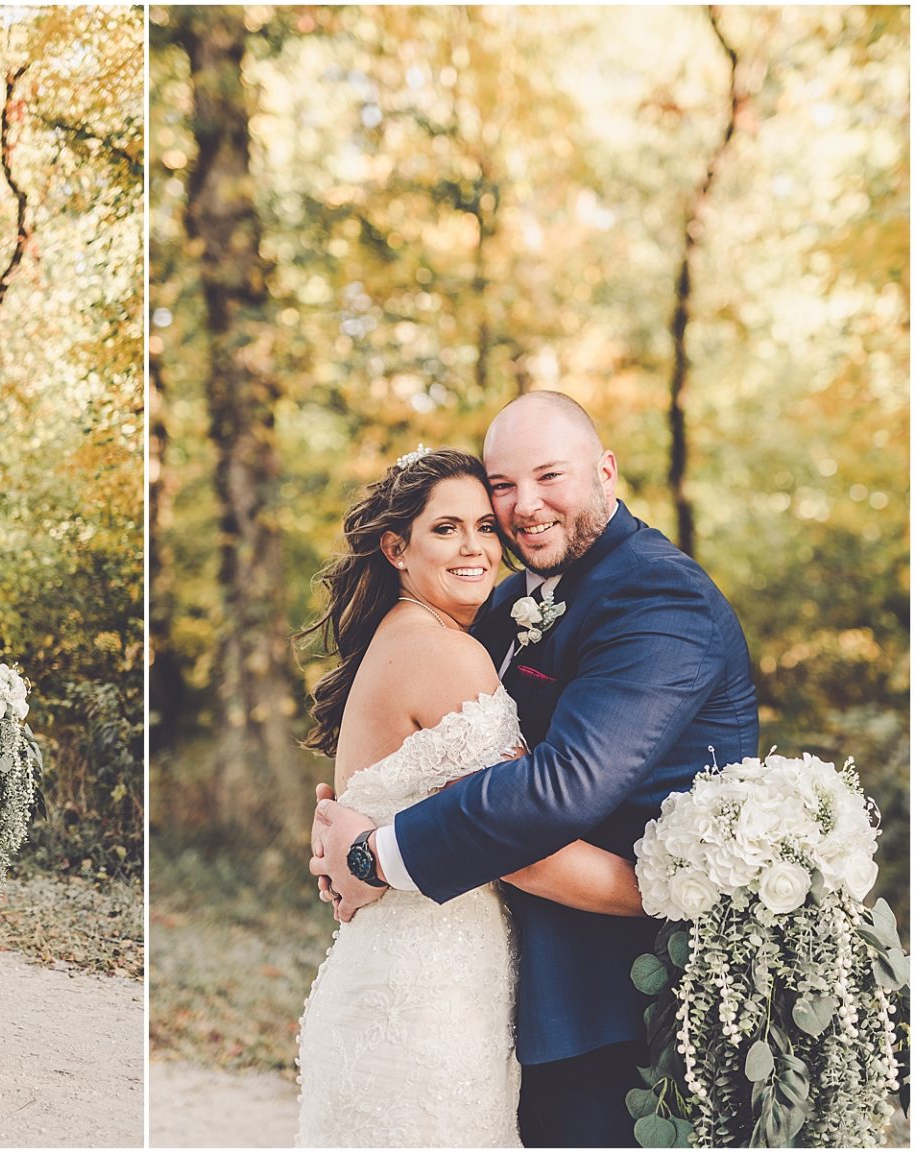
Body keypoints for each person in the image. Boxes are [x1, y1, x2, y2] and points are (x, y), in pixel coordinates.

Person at [307, 393, 758, 1147]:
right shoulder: (502, 600)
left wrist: (372, 852)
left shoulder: (658, 593)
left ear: (606, 471)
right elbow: (420, 752)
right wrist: (347, 824)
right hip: (501, 989)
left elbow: (556, 791)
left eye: (549, 477)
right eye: (503, 487)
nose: (522, 509)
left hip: (615, 1004)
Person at [294, 446, 648, 1147]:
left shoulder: (408, 635)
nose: (476, 547)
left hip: (401, 968)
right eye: (447, 528)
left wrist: (356, 854)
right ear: (396, 547)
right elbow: (521, 835)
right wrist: (664, 890)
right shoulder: (444, 652)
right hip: (429, 992)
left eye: (487, 527)